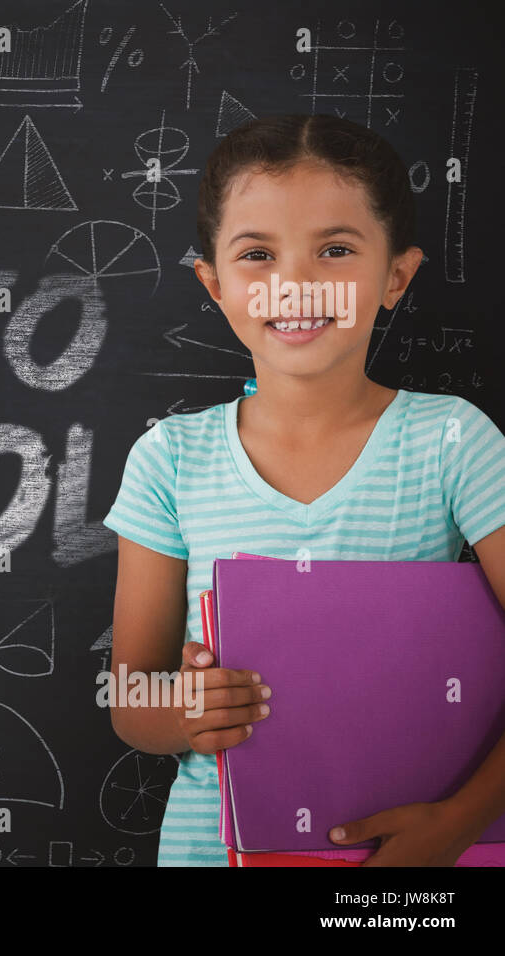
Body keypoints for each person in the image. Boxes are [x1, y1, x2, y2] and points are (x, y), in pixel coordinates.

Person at [102, 113, 505, 866]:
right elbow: (131, 699)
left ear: (396, 276)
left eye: (336, 250)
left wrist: (457, 823)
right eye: (258, 254)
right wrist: (183, 711)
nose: (295, 285)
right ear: (214, 285)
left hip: (401, 863)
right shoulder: (170, 460)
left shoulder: (454, 443)